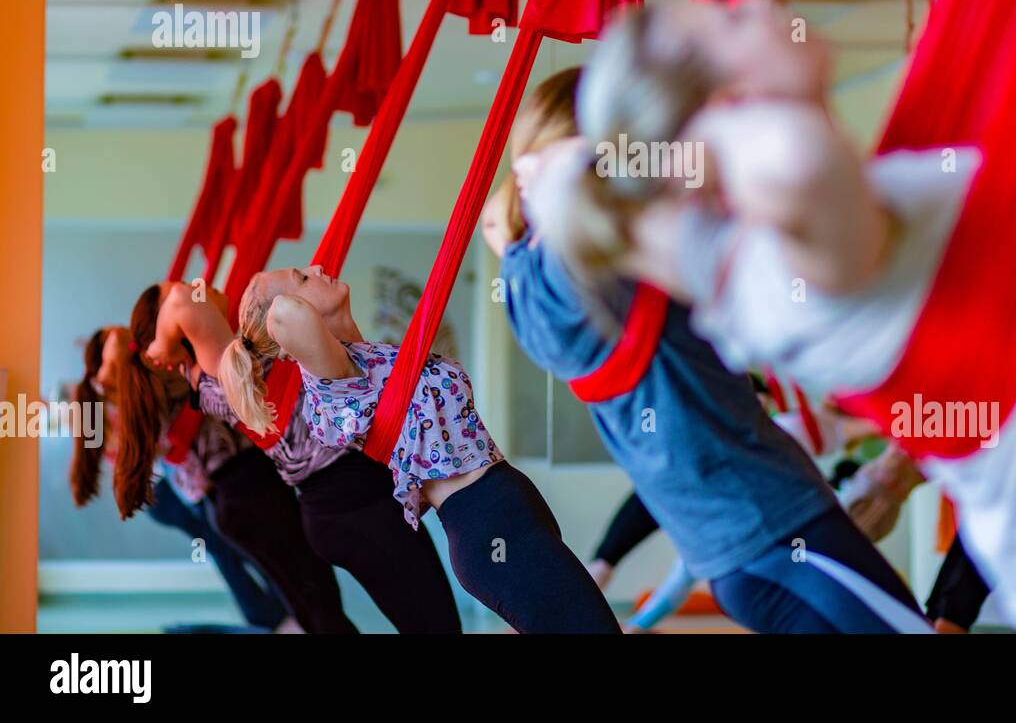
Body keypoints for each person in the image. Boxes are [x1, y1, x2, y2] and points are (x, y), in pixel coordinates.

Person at [525, 0, 1016, 634]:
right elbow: (793, 162)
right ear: (720, 103)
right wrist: (703, 138)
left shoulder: (834, 211)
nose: (757, 2)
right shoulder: (778, 269)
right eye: (729, 23)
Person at [483, 68, 931, 635]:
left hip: (736, 546)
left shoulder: (525, 278)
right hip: (777, 522)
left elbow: (503, 220)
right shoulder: (590, 270)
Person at [214, 266, 620, 634]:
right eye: (303, 277)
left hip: (508, 507)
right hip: (487, 523)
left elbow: (294, 313)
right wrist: (269, 311)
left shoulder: (368, 358)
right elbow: (283, 313)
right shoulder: (333, 386)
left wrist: (303, 295)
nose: (319, 267)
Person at [136, 281, 463, 634]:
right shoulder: (215, 364)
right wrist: (161, 345)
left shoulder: (224, 357)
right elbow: (185, 302)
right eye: (183, 285)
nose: (199, 282)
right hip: (346, 499)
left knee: (433, 622)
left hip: (346, 496)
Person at [73, 323, 352, 633]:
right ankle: (278, 622)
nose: (135, 333)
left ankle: (281, 623)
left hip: (230, 497)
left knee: (295, 588)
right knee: (308, 589)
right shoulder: (160, 381)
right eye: (124, 339)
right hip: (243, 490)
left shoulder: (154, 390)